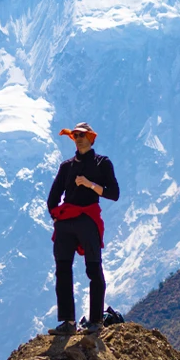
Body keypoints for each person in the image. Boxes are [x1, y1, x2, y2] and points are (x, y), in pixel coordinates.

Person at [46, 122, 120, 335]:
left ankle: (96, 321)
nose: (78, 138)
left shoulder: (102, 163)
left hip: (88, 219)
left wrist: (90, 185)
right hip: (66, 222)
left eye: (82, 135)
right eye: (75, 134)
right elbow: (53, 197)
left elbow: (113, 193)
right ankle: (68, 322)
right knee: (62, 270)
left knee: (94, 269)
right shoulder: (66, 166)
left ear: (91, 138)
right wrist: (56, 217)